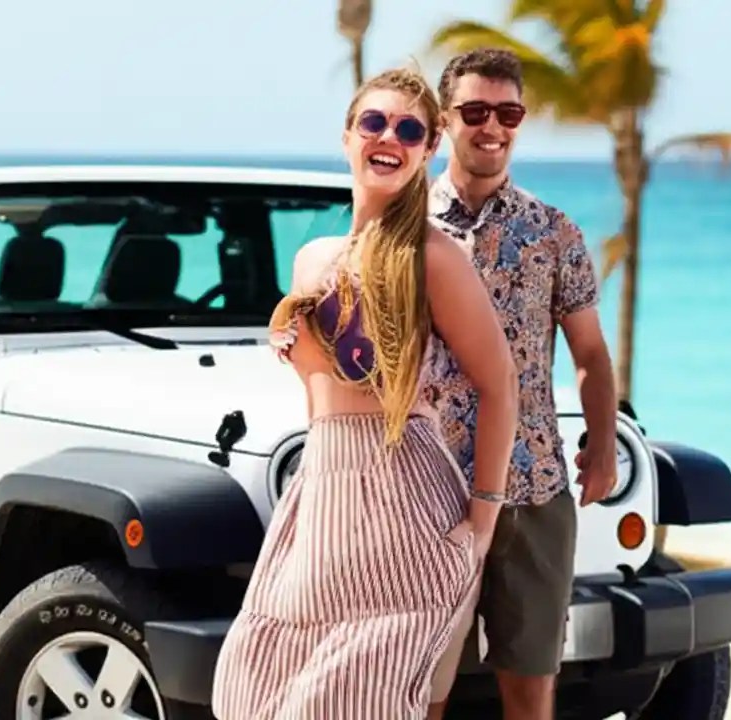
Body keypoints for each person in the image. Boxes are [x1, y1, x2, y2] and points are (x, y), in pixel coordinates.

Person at [210, 66, 520, 720]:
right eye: (374, 122)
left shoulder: (433, 258)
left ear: (428, 149)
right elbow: (322, 399)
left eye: (409, 129)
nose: (389, 138)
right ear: (348, 135)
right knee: (255, 683)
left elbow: (501, 385)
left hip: (402, 494)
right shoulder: (312, 260)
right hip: (323, 496)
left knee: (356, 701)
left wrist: (482, 522)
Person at [425, 48, 619, 720]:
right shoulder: (403, 223)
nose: (492, 126)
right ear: (445, 119)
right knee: (421, 683)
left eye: (507, 112)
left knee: (531, 682)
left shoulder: (553, 231)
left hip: (533, 485)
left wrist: (602, 442)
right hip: (429, 487)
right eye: (474, 111)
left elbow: (590, 351)